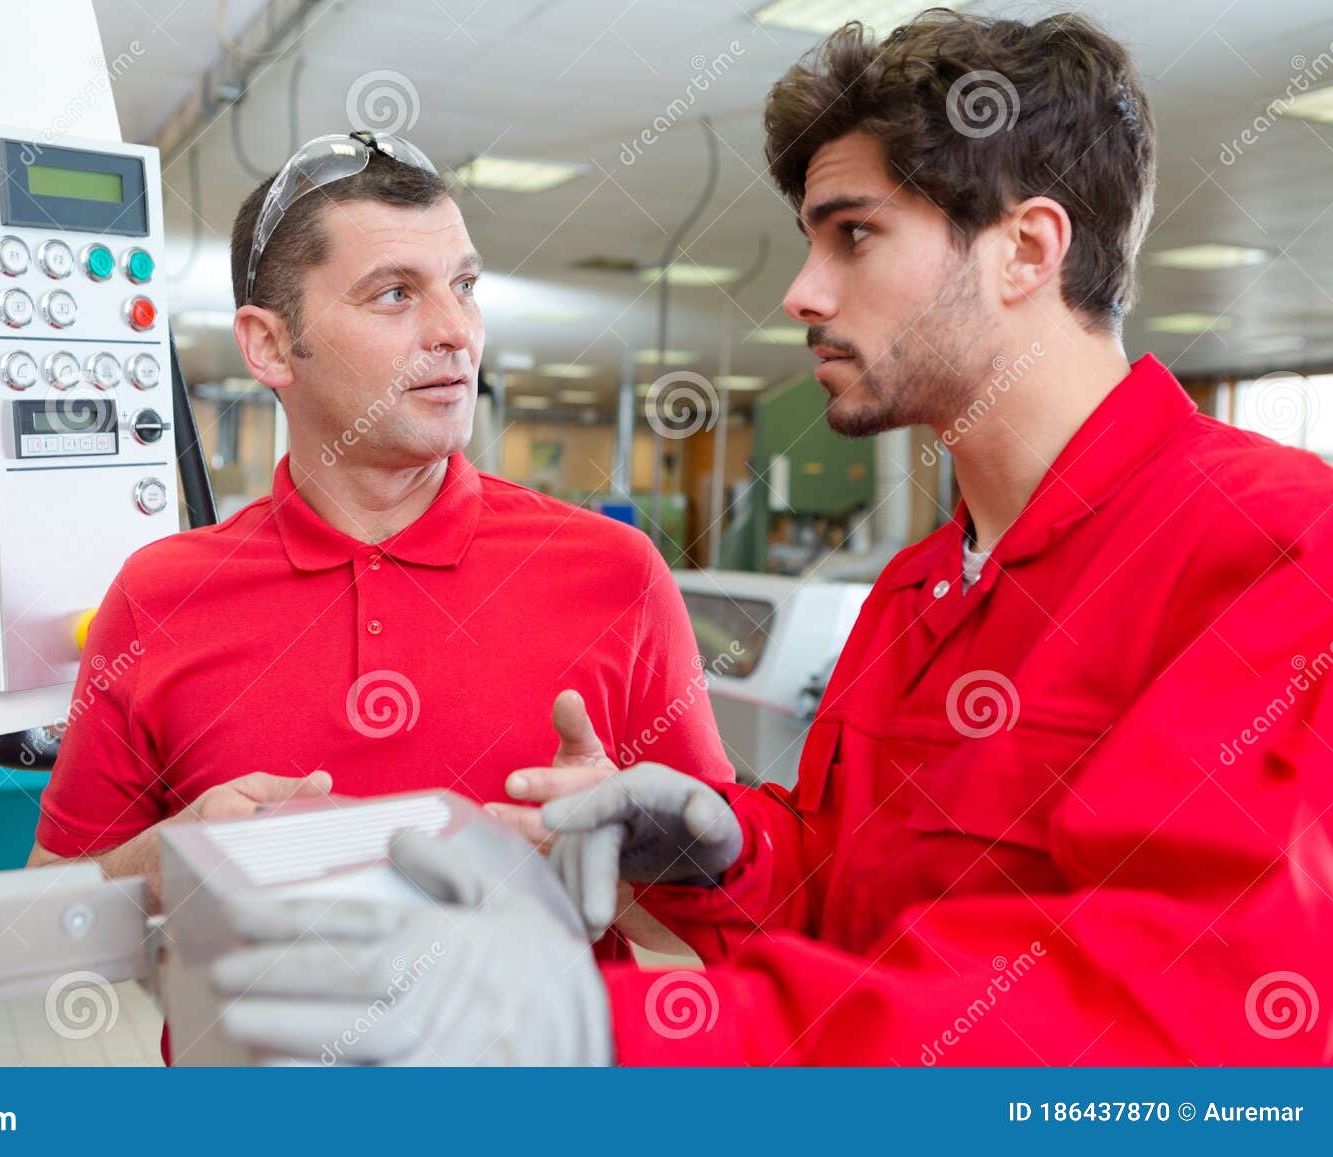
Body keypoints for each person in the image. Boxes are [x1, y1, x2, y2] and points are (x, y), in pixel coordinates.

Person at [207, 12, 1333, 1066]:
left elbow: (1180, 1010)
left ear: (1027, 249)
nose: (800, 292)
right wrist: (725, 855)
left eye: (854, 235)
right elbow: (851, 909)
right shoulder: (918, 589)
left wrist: (591, 1024)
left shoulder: (1275, 545)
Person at [27, 133, 731, 927]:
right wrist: (158, 866)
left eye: (464, 286)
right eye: (396, 294)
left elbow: (729, 893)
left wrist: (639, 846)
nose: (456, 330)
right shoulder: (158, 596)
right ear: (270, 345)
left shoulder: (615, 572)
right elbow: (43, 914)